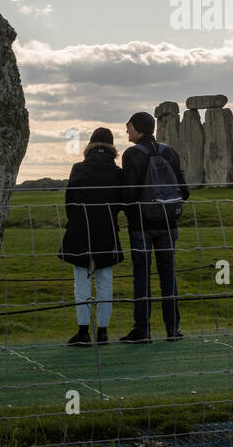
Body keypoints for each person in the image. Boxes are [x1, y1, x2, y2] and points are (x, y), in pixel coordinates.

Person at [119, 110, 189, 344]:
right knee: (168, 275)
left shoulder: (131, 154)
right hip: (169, 224)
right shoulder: (169, 151)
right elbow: (184, 191)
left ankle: (143, 330)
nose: (126, 130)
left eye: (128, 126)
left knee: (142, 276)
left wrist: (130, 212)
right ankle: (173, 329)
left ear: (137, 128)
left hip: (141, 224)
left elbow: (129, 193)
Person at [59, 127, 124, 347]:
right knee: (105, 280)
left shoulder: (79, 169)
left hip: (80, 227)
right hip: (107, 228)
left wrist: (75, 219)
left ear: (90, 146)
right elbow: (121, 202)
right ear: (112, 148)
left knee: (82, 280)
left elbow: (69, 200)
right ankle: (103, 331)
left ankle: (83, 331)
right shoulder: (117, 172)